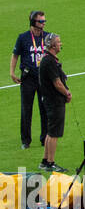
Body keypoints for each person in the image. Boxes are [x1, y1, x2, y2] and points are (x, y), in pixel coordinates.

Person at [10, 10, 47, 151]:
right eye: (40, 21)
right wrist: (12, 72)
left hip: (43, 78)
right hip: (28, 78)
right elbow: (15, 55)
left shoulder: (48, 37)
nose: (43, 24)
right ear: (33, 22)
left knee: (45, 109)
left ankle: (45, 139)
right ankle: (26, 140)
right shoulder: (23, 38)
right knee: (26, 110)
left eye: (44, 21)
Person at [37, 31, 69, 172]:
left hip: (51, 100)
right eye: (59, 41)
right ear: (53, 45)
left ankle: (45, 161)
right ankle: (51, 162)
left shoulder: (48, 60)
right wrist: (67, 93)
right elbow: (57, 83)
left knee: (50, 132)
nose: (60, 44)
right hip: (54, 101)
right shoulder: (49, 61)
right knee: (54, 133)